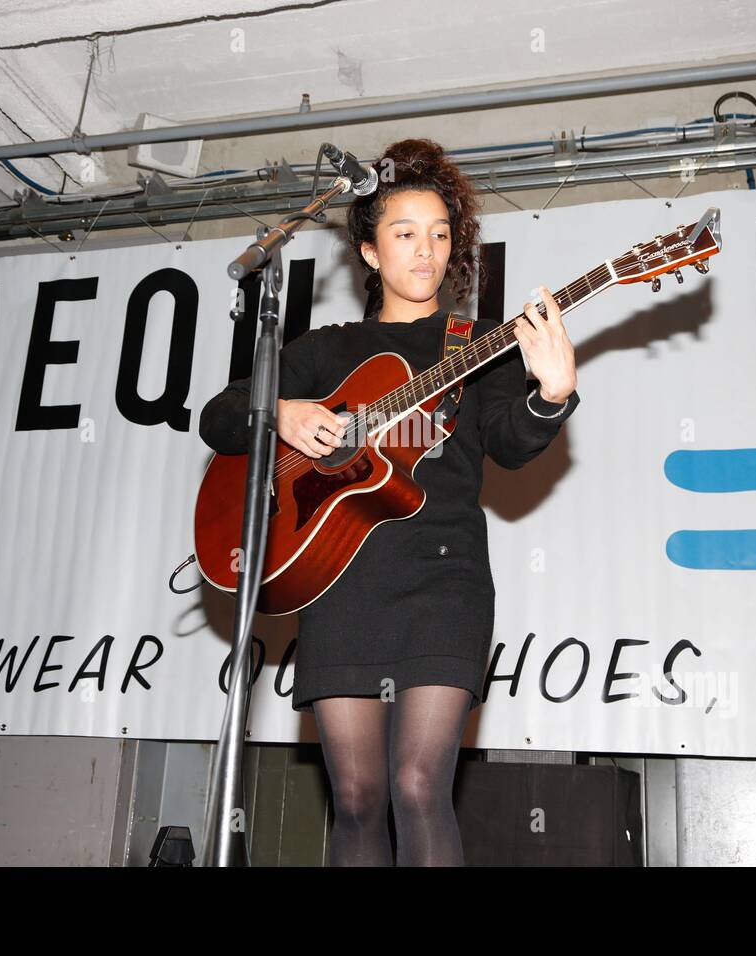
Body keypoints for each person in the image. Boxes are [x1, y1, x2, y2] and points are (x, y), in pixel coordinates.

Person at [198, 138, 580, 865]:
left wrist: (552, 395)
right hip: (342, 583)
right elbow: (219, 414)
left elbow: (511, 440)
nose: (426, 250)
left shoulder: (480, 345)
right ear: (369, 251)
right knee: (359, 800)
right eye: (405, 234)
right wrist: (282, 413)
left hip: (443, 581)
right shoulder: (325, 349)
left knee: (416, 786)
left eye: (441, 234)